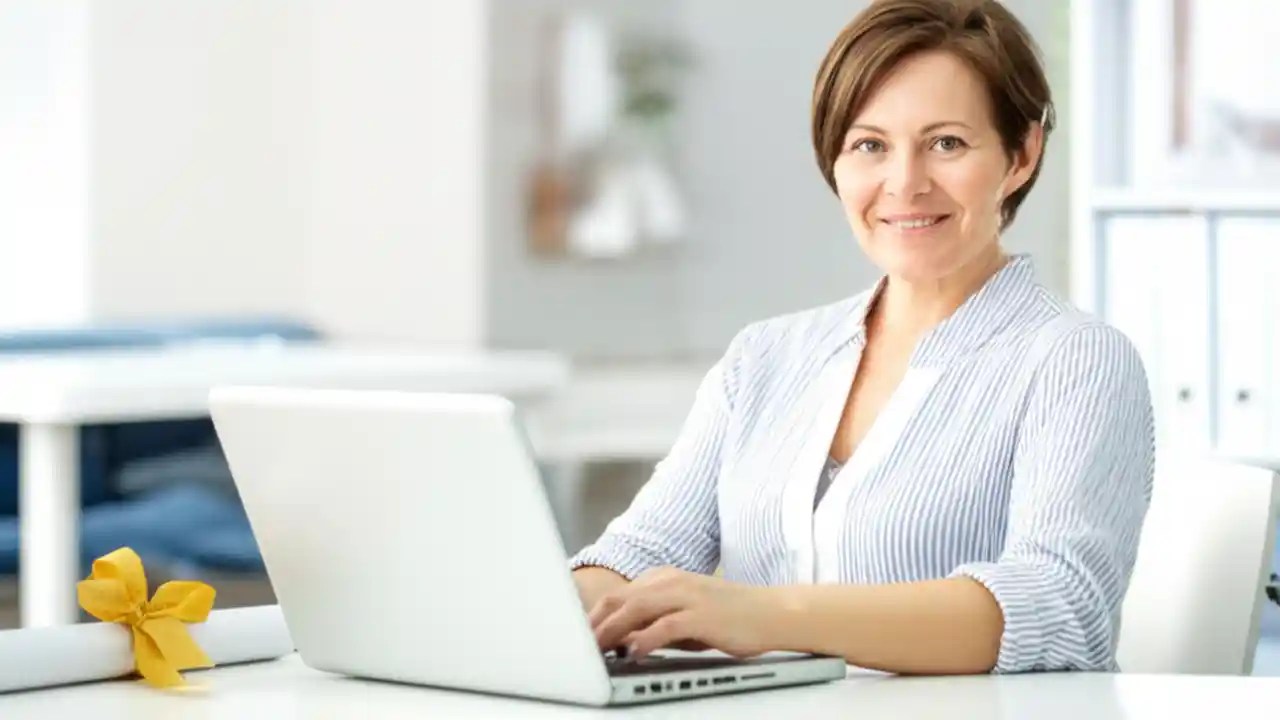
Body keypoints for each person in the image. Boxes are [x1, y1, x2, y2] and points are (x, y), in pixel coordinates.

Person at [570, 0, 1154, 675]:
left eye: (947, 144)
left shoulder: (1076, 360)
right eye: (869, 145)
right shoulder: (763, 359)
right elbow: (641, 551)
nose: (904, 184)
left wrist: (761, 616)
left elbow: (1058, 607)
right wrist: (551, 607)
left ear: (1021, 155)